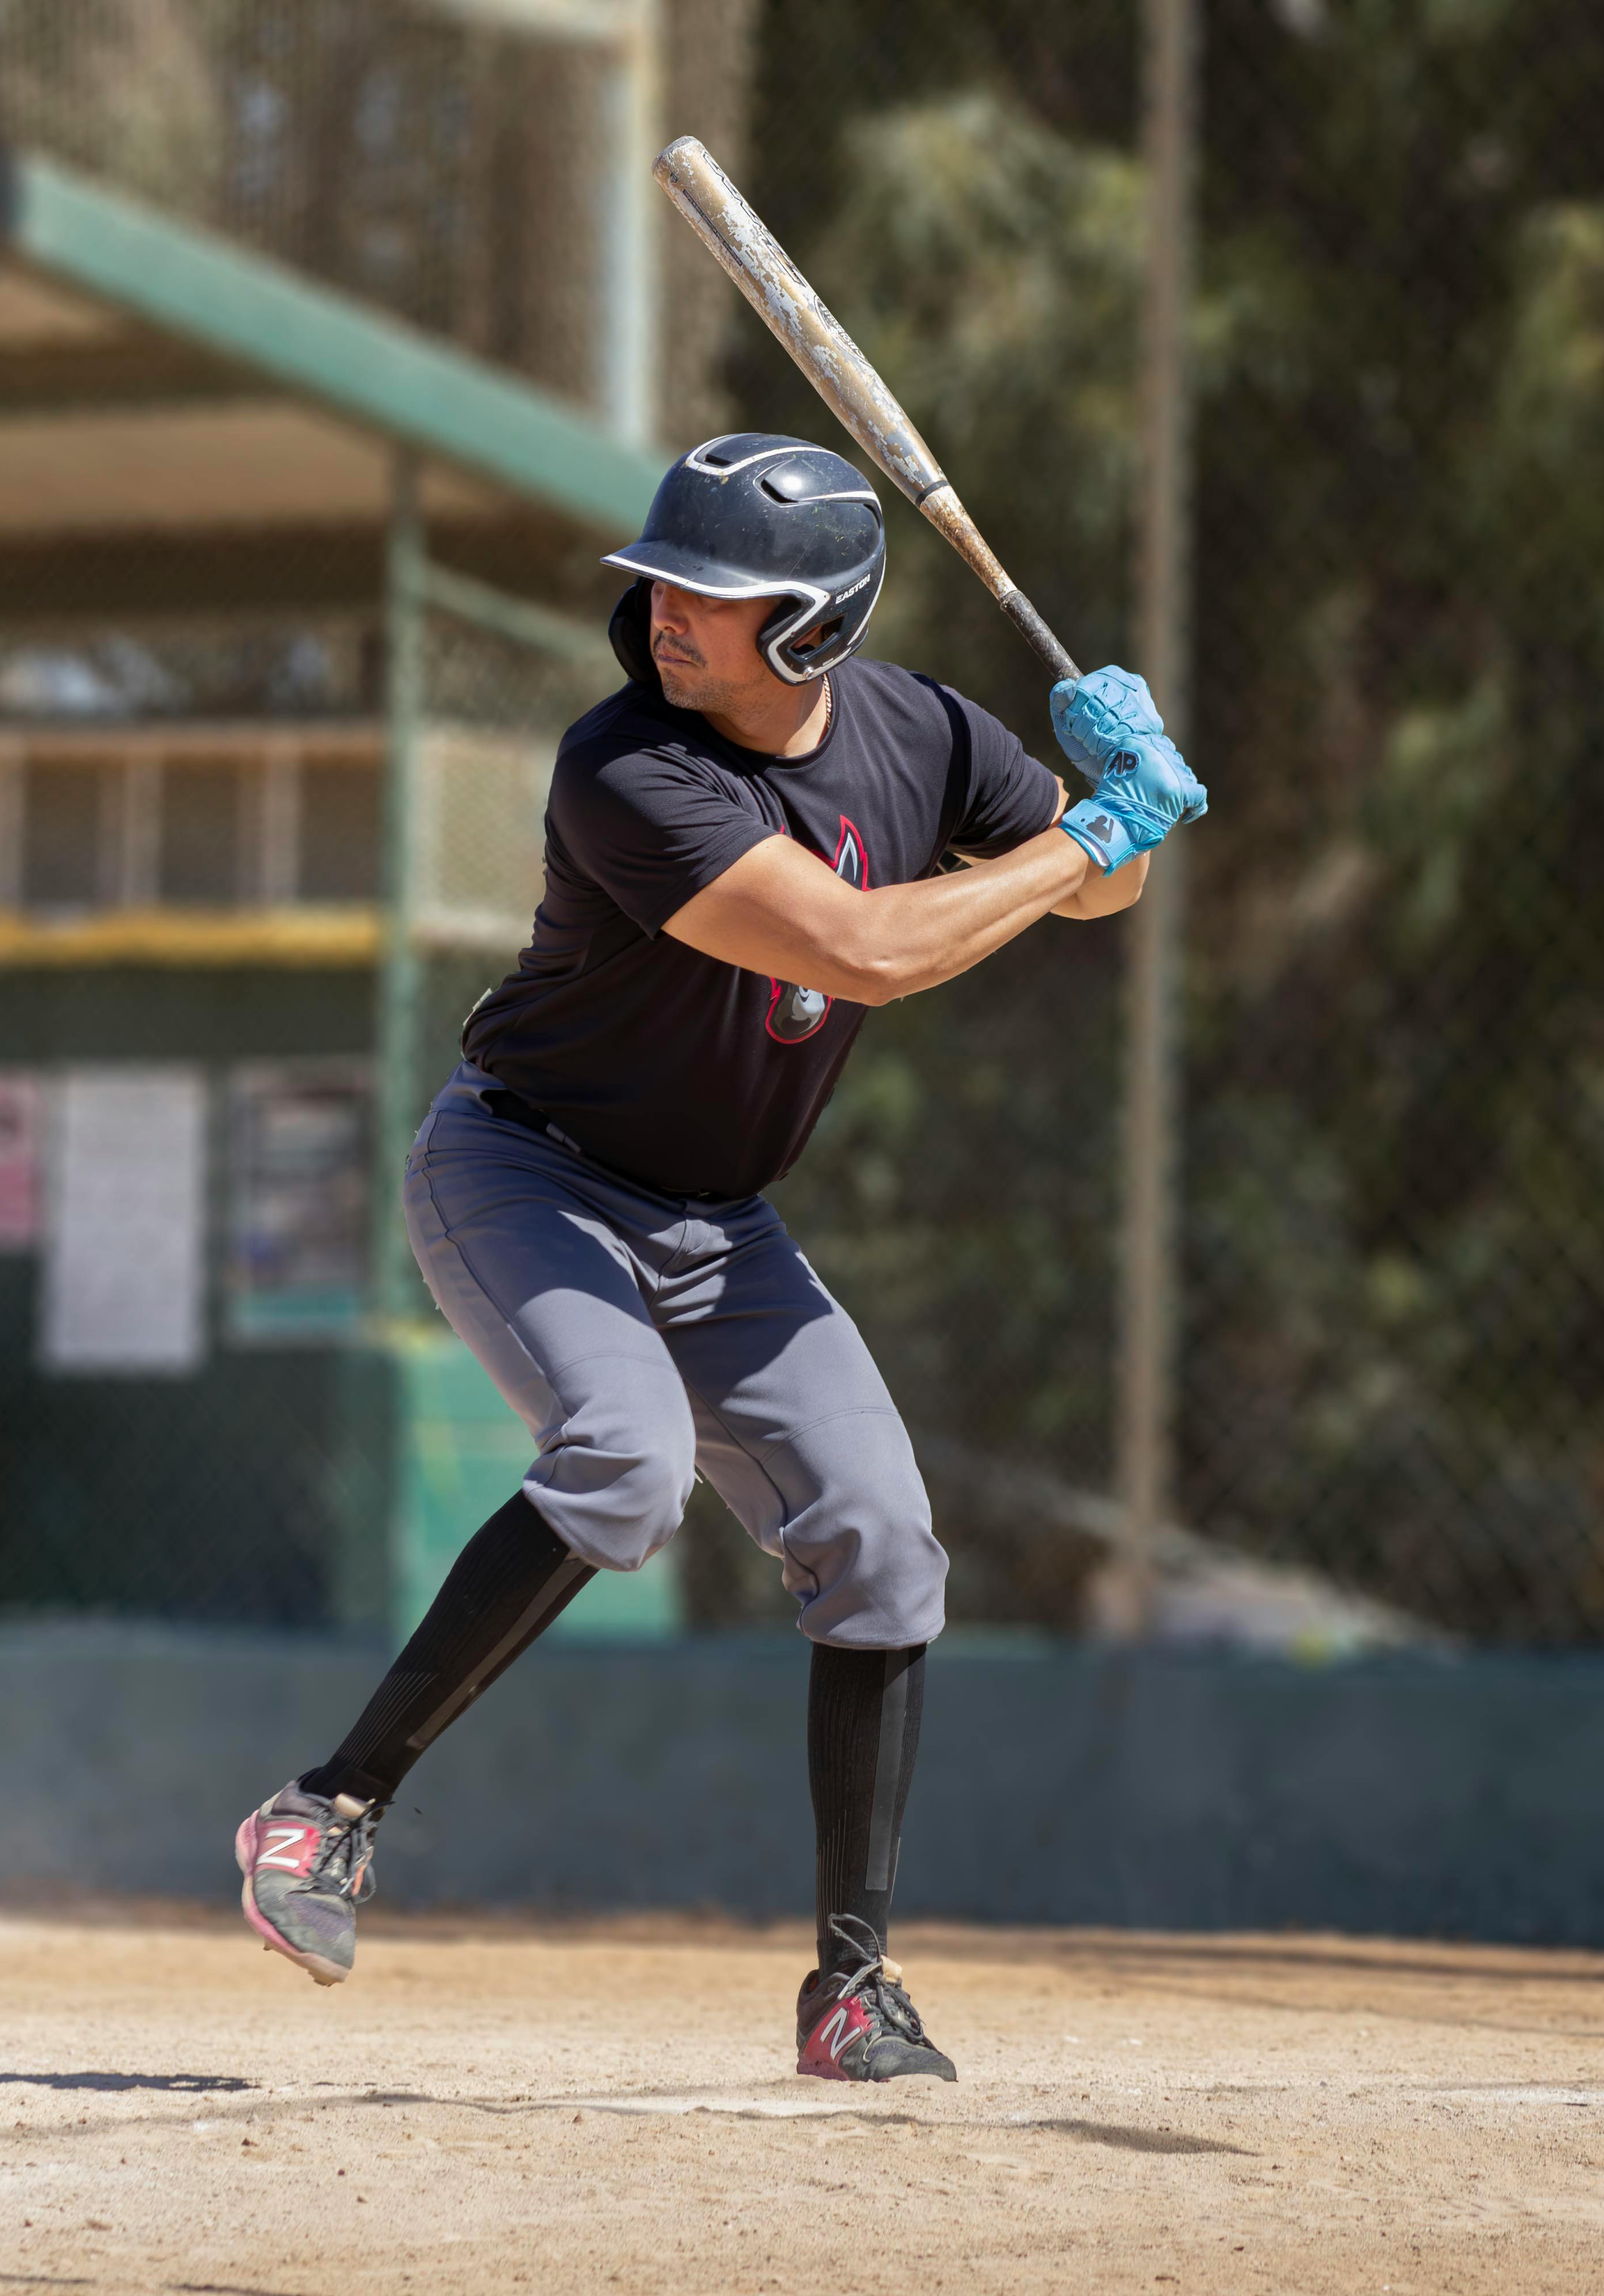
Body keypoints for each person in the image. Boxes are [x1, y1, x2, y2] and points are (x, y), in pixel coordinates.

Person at [230, 433, 1208, 2082]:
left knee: (888, 1546)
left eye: (717, 594)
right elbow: (869, 950)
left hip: (725, 1225)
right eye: (665, 581)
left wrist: (1124, 812)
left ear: (816, 628)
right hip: (531, 1173)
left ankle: (851, 1990)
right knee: (623, 1462)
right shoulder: (626, 770)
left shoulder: (925, 732)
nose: (667, 612)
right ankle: (326, 1811)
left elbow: (1089, 902)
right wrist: (1094, 839)